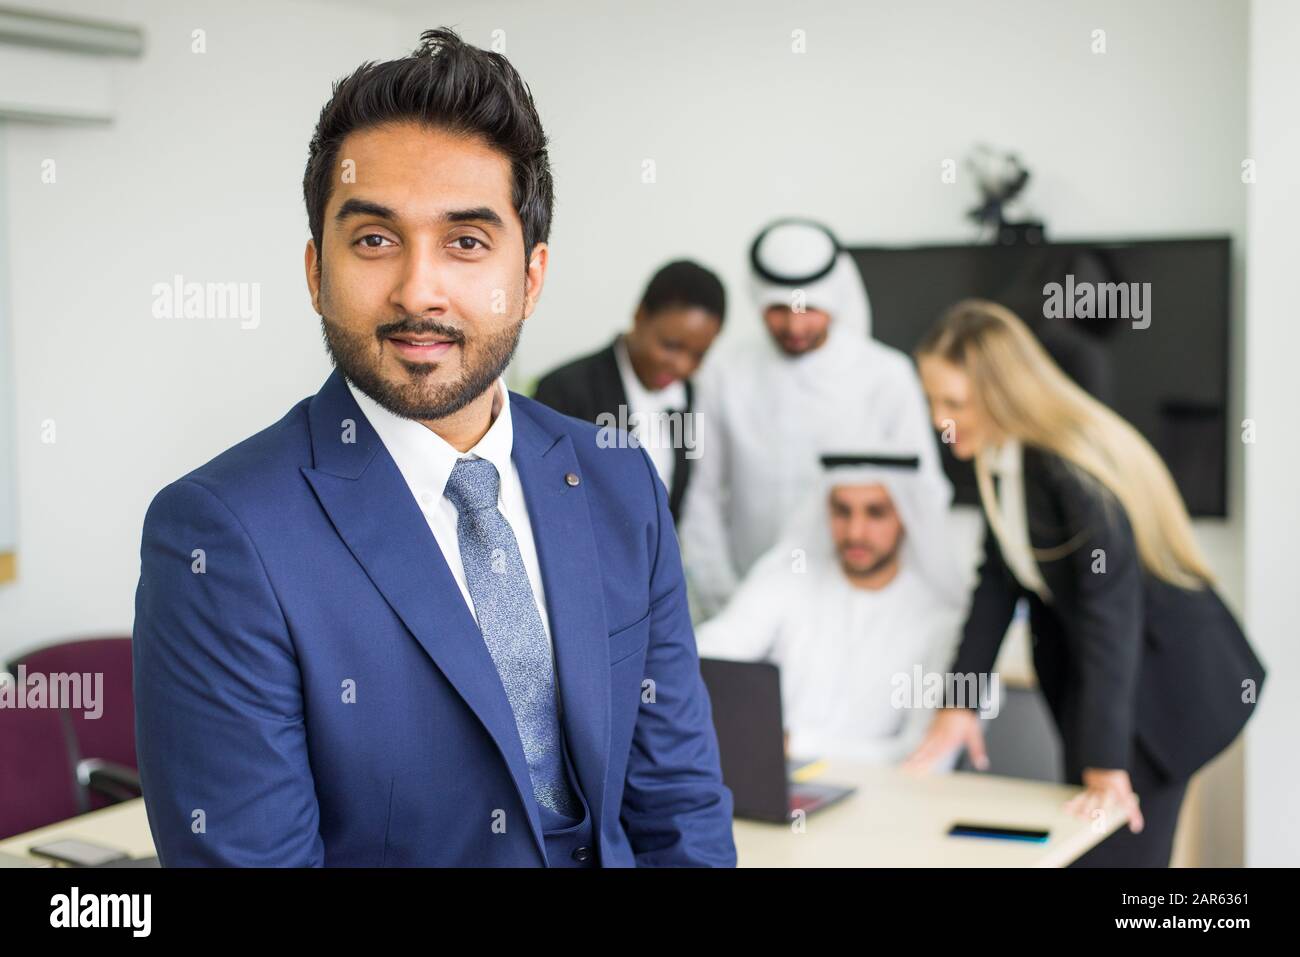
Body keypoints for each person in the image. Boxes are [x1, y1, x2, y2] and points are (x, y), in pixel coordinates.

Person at [131, 28, 735, 868]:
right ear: (316, 270)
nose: (419, 289)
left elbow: (678, 808)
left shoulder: (614, 476)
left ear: (531, 276)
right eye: (375, 240)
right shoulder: (221, 533)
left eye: (467, 242)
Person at [903, 298, 1266, 867]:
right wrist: (959, 704)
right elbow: (996, 587)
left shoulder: (1071, 470)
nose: (937, 419)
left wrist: (1104, 761)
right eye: (931, 400)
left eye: (954, 402)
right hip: (1107, 695)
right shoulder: (1003, 458)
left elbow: (1110, 615)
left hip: (1162, 691)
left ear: (1004, 393)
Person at [680, 218, 947, 620]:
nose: (794, 326)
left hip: (857, 609)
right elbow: (700, 498)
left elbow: (924, 496)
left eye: (809, 311)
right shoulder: (723, 373)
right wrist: (730, 604)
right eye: (778, 310)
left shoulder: (887, 376)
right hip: (743, 597)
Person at [695, 450, 966, 764]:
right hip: (768, 781)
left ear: (906, 517)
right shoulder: (787, 580)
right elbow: (707, 653)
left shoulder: (940, 619)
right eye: (842, 511)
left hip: (884, 798)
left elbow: (924, 754)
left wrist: (794, 744)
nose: (855, 532)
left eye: (876, 513)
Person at [532, 260, 725, 520]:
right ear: (640, 316)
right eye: (671, 346)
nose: (683, 366)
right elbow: (546, 498)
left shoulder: (687, 395)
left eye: (698, 355)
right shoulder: (565, 390)